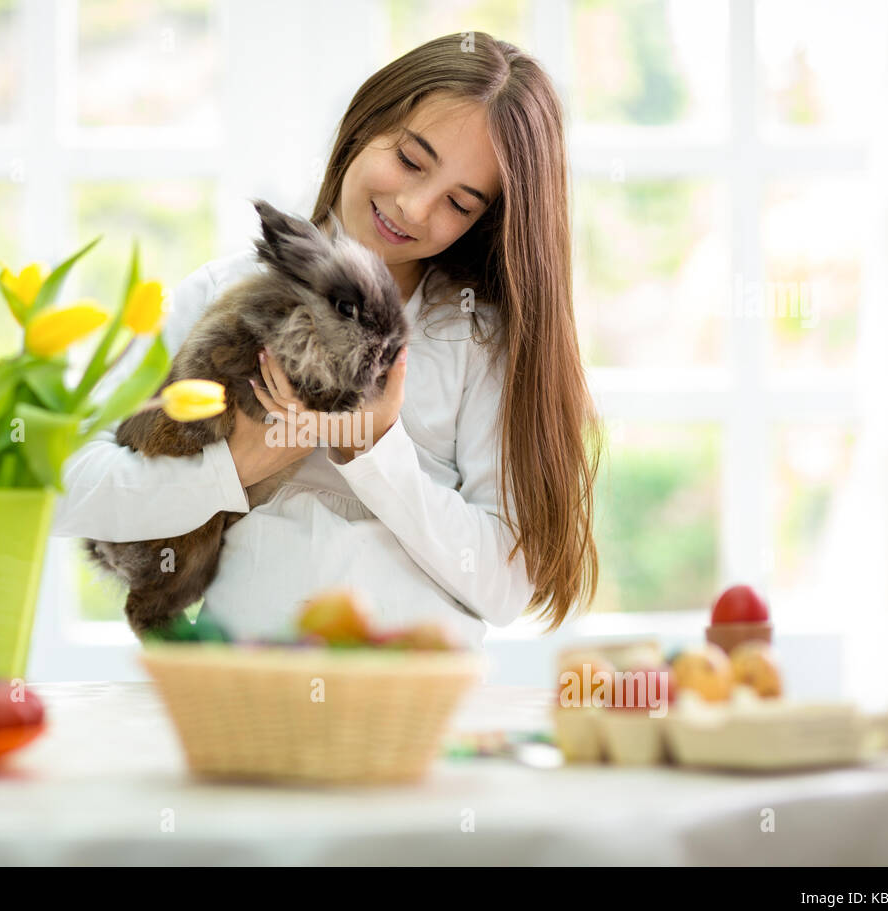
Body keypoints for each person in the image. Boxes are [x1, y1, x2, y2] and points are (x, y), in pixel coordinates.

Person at [51, 32, 603, 649]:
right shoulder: (221, 293)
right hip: (243, 688)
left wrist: (373, 451)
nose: (415, 208)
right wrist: (234, 467)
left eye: (459, 202)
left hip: (414, 701)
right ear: (364, 124)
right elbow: (64, 488)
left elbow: (505, 587)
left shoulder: (478, 338)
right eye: (411, 161)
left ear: (487, 221)